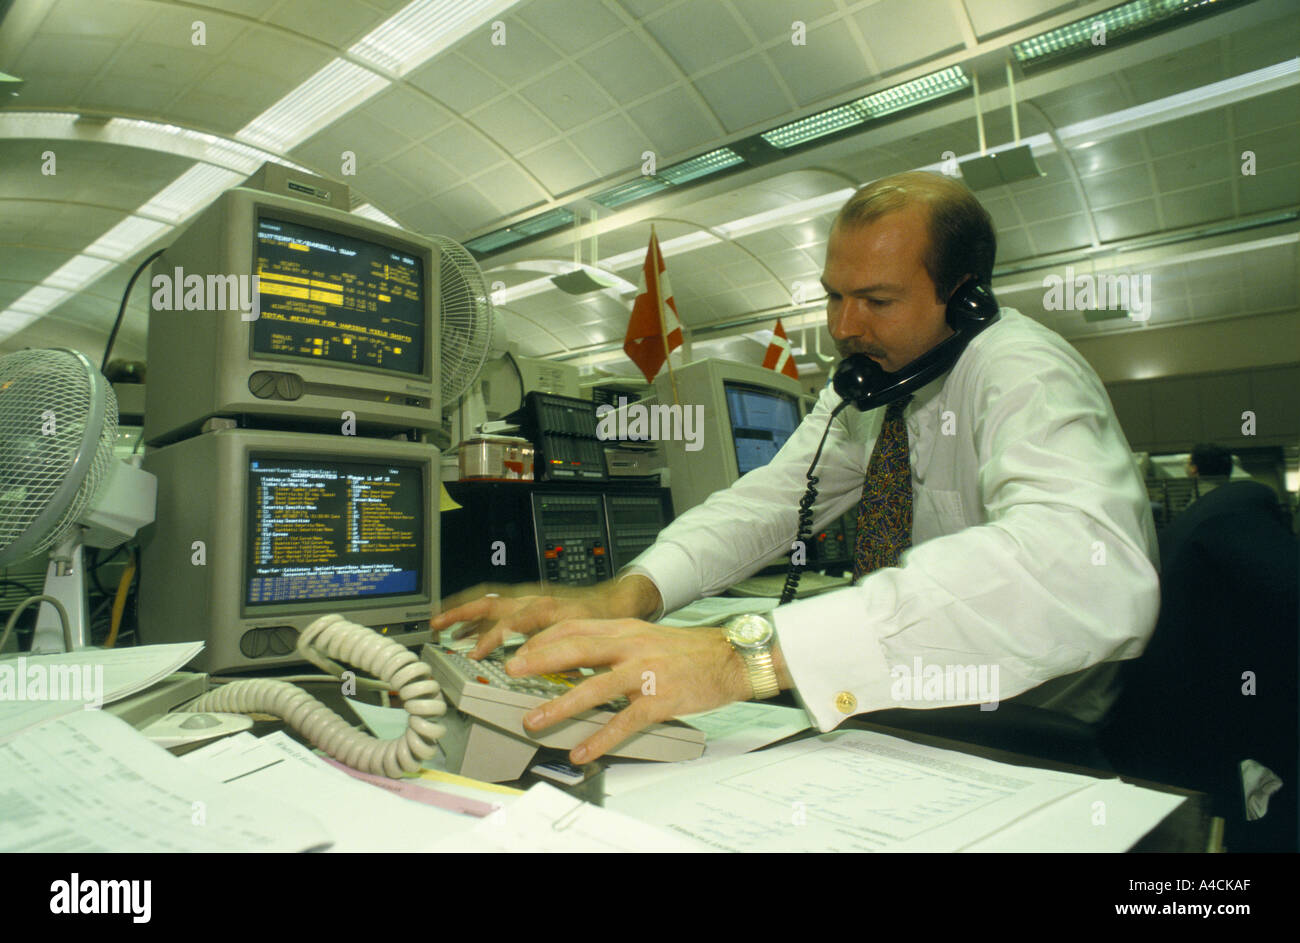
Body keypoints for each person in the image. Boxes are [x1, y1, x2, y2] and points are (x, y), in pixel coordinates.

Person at [432, 171, 1161, 765]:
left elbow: (1087, 568)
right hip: (926, 692)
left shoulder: (1026, 372)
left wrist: (742, 657)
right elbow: (770, 501)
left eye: (876, 300)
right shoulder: (881, 380)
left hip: (1024, 715)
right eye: (834, 297)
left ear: (966, 297)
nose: (844, 328)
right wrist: (633, 591)